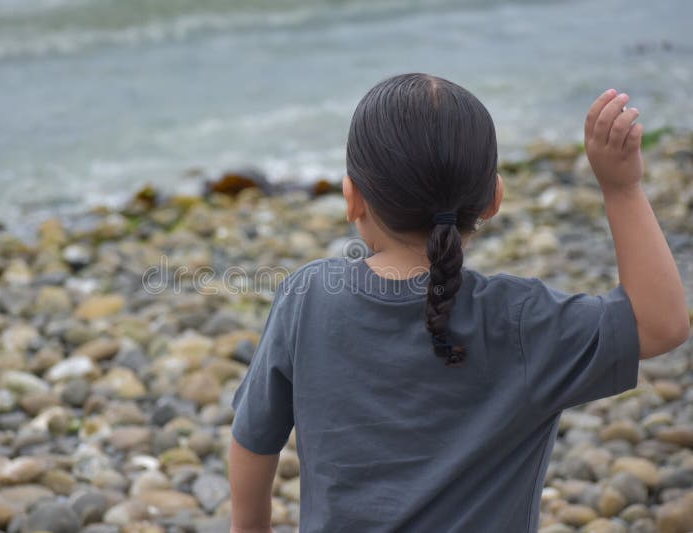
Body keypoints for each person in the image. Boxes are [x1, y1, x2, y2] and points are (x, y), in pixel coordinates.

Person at [227, 73, 689, 533]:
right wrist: (622, 188)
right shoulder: (521, 321)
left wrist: (250, 528)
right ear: (493, 200)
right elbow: (661, 323)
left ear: (353, 199)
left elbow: (254, 437)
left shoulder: (308, 297)